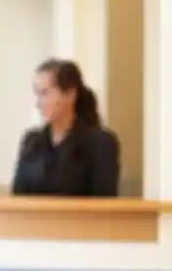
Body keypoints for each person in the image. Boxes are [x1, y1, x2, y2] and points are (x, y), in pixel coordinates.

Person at [12, 59, 120, 197]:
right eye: (37, 94)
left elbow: (105, 202)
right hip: (34, 218)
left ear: (70, 94)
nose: (39, 103)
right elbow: (17, 195)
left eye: (45, 93)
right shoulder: (32, 142)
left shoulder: (101, 143)